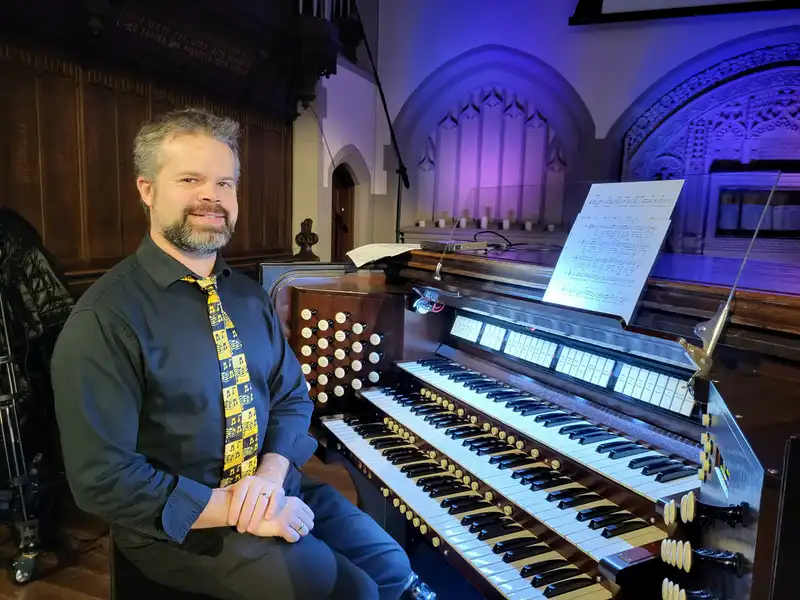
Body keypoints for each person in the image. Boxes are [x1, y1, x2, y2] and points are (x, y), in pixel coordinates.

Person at [50, 108, 412, 600]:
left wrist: (270, 476)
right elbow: (103, 479)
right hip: (180, 523)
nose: (212, 196)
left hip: (270, 486)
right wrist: (239, 508)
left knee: (391, 566)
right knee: (346, 590)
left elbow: (291, 398)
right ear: (146, 190)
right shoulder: (105, 320)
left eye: (226, 182)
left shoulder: (246, 297)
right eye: (190, 179)